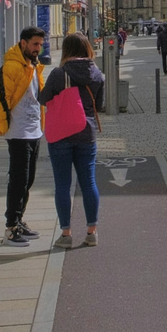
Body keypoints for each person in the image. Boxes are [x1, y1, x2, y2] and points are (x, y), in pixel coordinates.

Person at [0, 26, 47, 245]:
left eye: (40, 45)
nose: (38, 49)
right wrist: (5, 125)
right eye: (35, 44)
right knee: (18, 180)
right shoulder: (11, 67)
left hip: (34, 131)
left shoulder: (33, 67)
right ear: (23, 43)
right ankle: (10, 228)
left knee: (28, 179)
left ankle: (19, 220)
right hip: (18, 132)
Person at [39, 32, 105, 249]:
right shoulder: (97, 74)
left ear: (66, 50)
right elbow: (100, 104)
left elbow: (43, 98)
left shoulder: (59, 74)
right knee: (89, 182)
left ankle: (66, 234)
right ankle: (91, 232)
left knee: (62, 185)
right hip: (87, 133)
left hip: (61, 134)